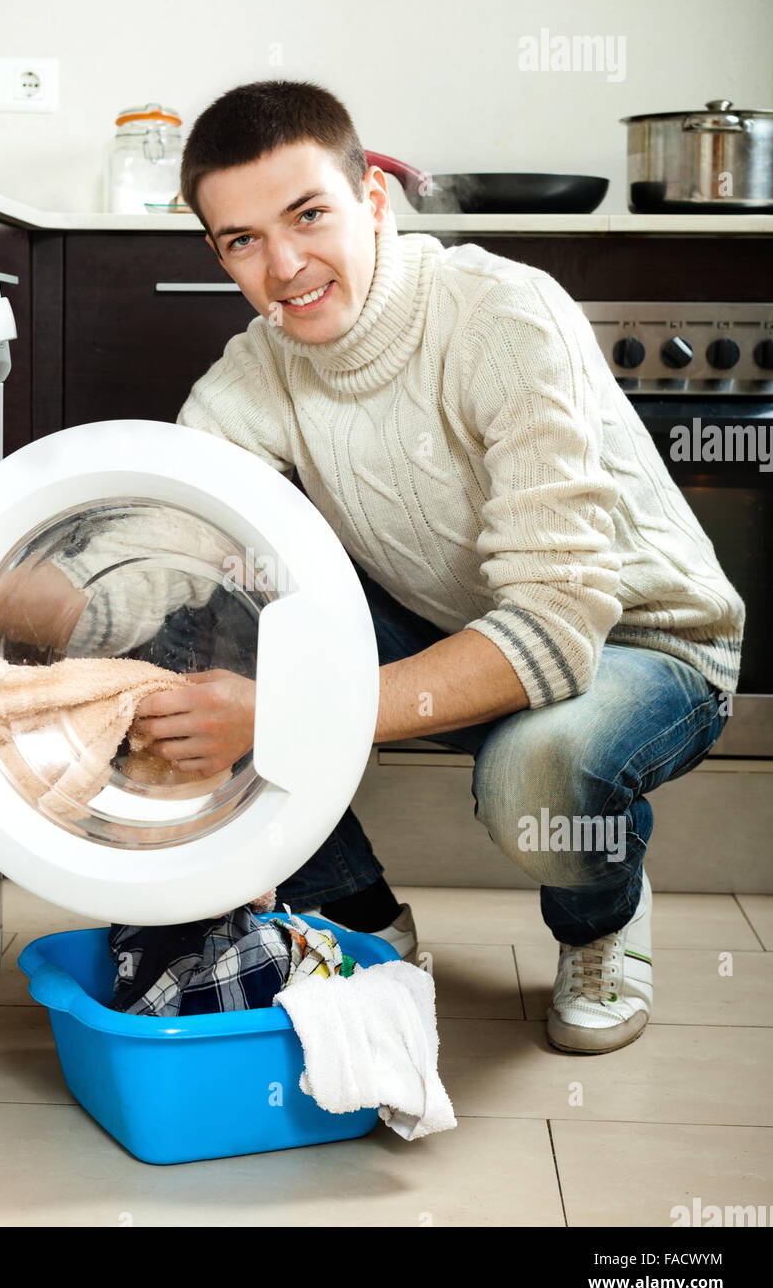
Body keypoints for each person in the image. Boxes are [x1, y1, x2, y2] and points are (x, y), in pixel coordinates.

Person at [120, 78, 743, 1053]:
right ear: (217, 251)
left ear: (373, 200)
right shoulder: (261, 367)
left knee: (535, 768)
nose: (283, 266)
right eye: (241, 239)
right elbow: (159, 557)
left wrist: (284, 716)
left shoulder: (501, 315)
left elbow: (551, 628)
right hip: (442, 617)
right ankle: (362, 927)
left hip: (639, 641)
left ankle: (601, 925)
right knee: (192, 636)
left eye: (308, 215)